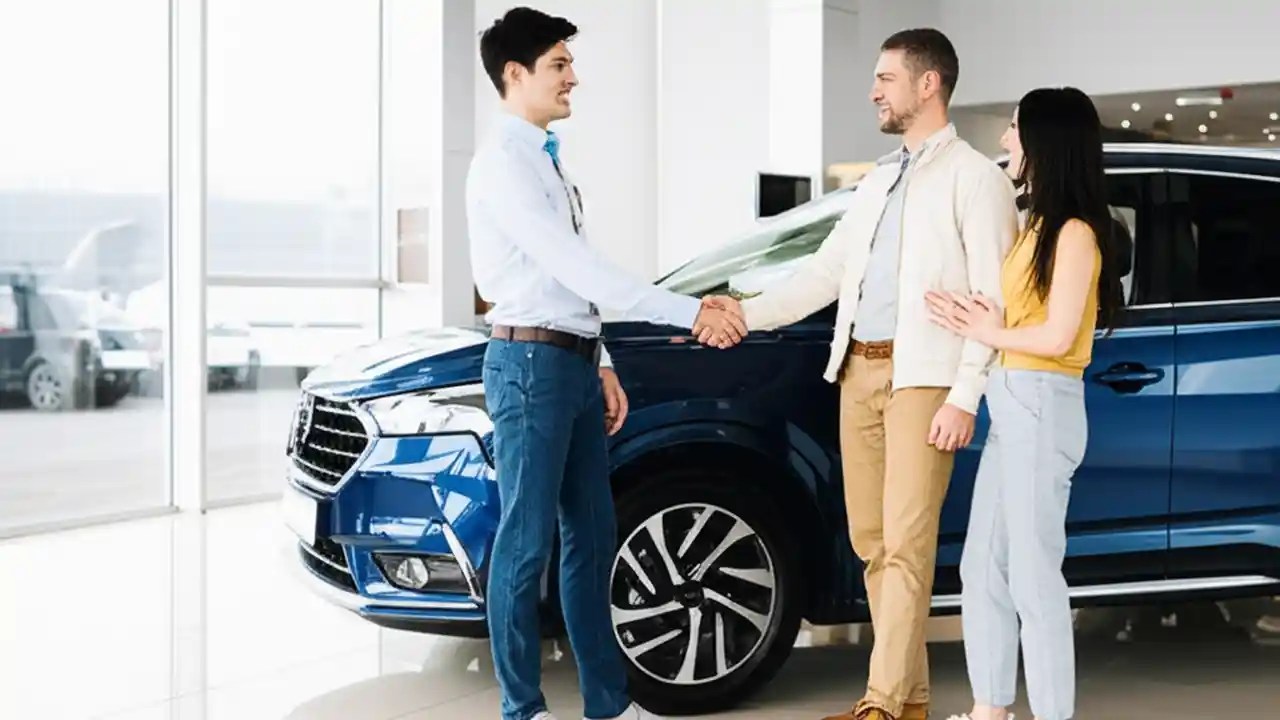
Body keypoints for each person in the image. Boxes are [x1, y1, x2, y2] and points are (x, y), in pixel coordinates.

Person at [704, 28, 1018, 720]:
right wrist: (742, 313)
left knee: (907, 544)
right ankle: (911, 703)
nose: (874, 89)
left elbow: (993, 302)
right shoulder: (879, 181)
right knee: (872, 544)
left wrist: (965, 394)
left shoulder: (977, 178)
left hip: (924, 378)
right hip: (859, 371)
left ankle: (878, 703)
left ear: (928, 84)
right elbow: (822, 275)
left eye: (886, 77)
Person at [467, 8, 745, 720]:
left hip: (571, 363)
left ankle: (607, 704)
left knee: (592, 536)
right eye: (559, 64)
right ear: (514, 74)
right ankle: (521, 708)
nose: (573, 77)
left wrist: (604, 357)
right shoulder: (502, 163)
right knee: (524, 545)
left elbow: (566, 279)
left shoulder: (544, 158)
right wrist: (692, 313)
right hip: (528, 367)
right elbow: (575, 266)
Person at [926, 87, 1123, 720]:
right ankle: (990, 709)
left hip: (1042, 399)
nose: (1006, 140)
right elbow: (1021, 314)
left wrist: (988, 332)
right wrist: (981, 318)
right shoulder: (1034, 223)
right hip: (1012, 399)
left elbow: (1058, 335)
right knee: (982, 567)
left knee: (1036, 580)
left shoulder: (1075, 233)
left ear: (1045, 143)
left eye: (1014, 130)